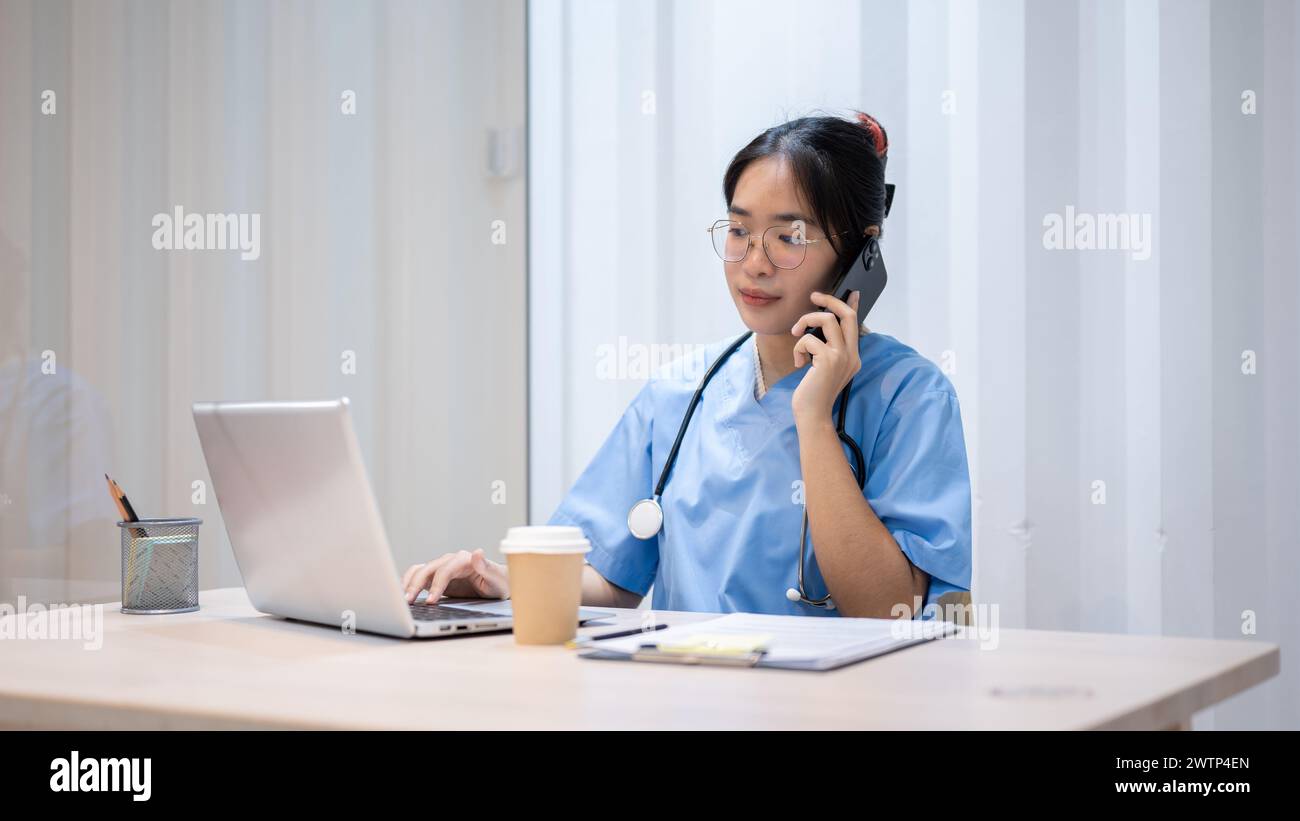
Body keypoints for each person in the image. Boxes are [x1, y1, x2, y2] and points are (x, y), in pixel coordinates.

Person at [404, 112, 971, 619]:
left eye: (789, 237)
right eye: (741, 231)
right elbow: (612, 577)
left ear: (860, 255)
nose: (755, 264)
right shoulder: (681, 392)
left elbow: (886, 612)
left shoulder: (911, 395)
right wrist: (504, 585)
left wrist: (814, 417)